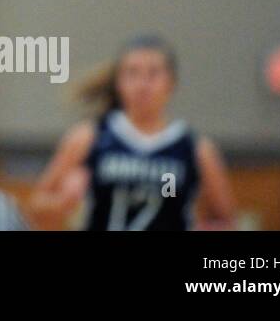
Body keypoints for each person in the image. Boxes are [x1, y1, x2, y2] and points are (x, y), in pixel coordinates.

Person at [29, 35, 236, 230]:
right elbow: (35, 208)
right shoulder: (89, 137)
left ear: (172, 83)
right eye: (132, 73)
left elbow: (226, 221)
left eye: (153, 73)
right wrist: (64, 202)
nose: (142, 84)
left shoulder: (196, 149)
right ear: (118, 82)